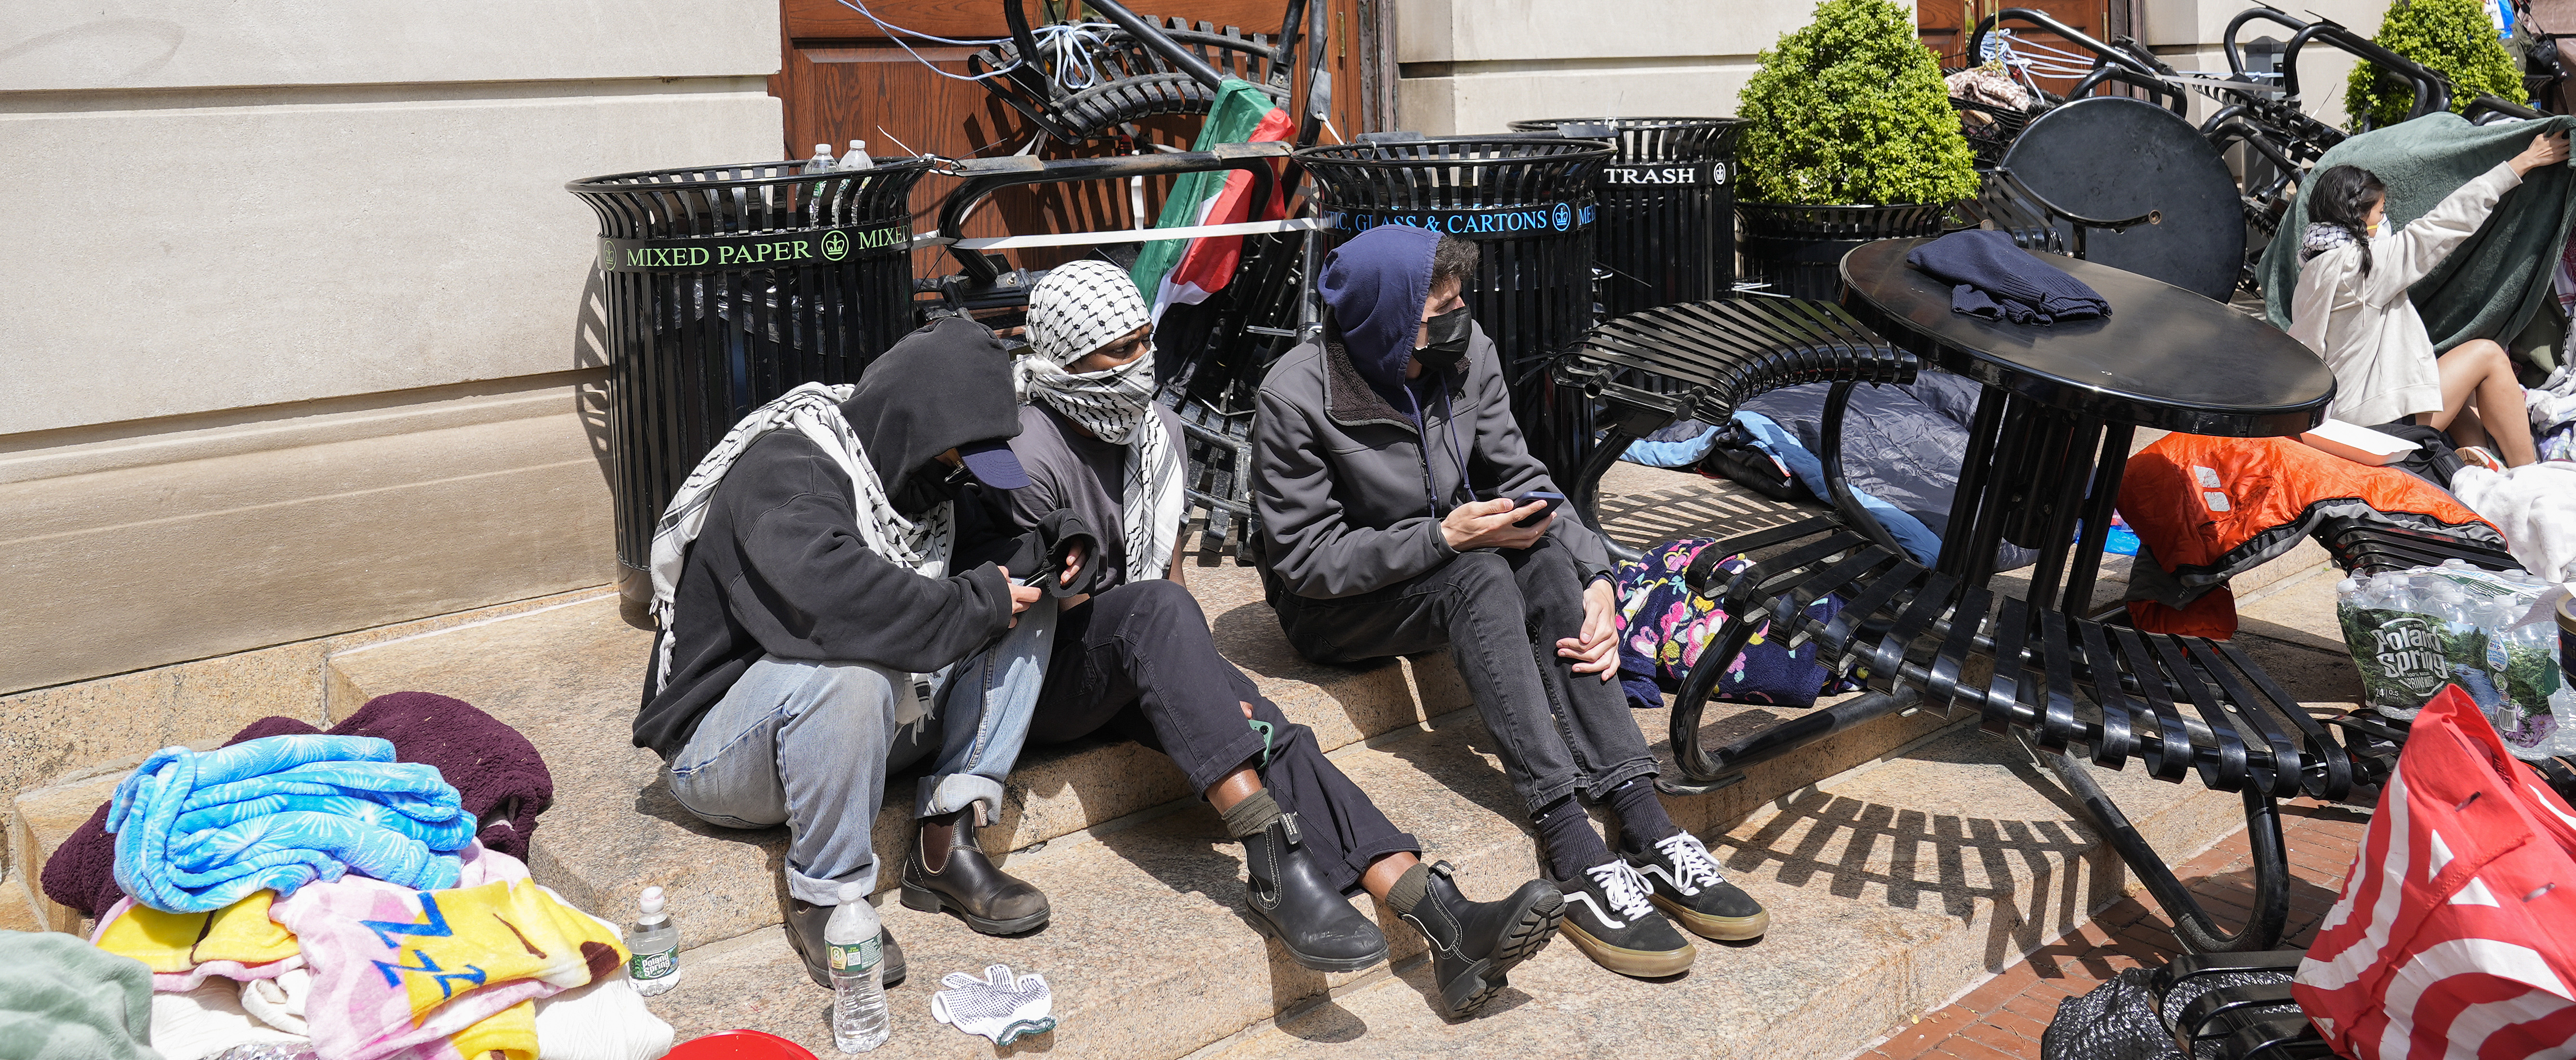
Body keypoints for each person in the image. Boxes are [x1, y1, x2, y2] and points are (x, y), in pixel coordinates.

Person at [962, 259, 1564, 1020]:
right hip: (1045, 674)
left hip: (1136, 646)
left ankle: (1439, 916)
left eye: (1145, 340)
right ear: (1063, 357)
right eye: (1116, 351)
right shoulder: (1021, 450)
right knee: (1158, 621)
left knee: (1273, 731)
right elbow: (1010, 608)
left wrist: (1212, 688)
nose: (1139, 362)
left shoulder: (1158, 431)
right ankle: (1268, 855)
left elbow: (1171, 579)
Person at [1253, 226, 1768, 981]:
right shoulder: (1294, 395)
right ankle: (1567, 834)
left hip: (1450, 556)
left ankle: (1640, 809)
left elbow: (1524, 476)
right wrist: (1442, 534)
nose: (1461, 317)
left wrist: (1599, 580)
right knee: (1481, 574)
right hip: (1338, 605)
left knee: (1543, 556)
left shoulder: (1465, 354)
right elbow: (1306, 560)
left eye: (1462, 300)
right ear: (1386, 320)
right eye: (1441, 308)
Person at [630, 316, 1057, 990]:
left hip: (856, 731)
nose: (958, 478)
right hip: (724, 748)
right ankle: (826, 895)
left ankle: (946, 836)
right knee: (852, 670)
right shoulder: (785, 469)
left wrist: (1058, 552)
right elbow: (837, 605)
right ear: (915, 431)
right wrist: (977, 600)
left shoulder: (915, 477)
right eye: (955, 459)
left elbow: (995, 546)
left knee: (1027, 605)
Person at [2287, 132, 2571, 467]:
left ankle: (2479, 460)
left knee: (2442, 379)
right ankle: (2529, 475)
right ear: (2358, 217)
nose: (2384, 220)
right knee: (2489, 356)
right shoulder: (2366, 266)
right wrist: (2523, 162)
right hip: (2379, 429)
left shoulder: (2311, 271)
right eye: (2380, 213)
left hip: (2339, 426)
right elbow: (2443, 224)